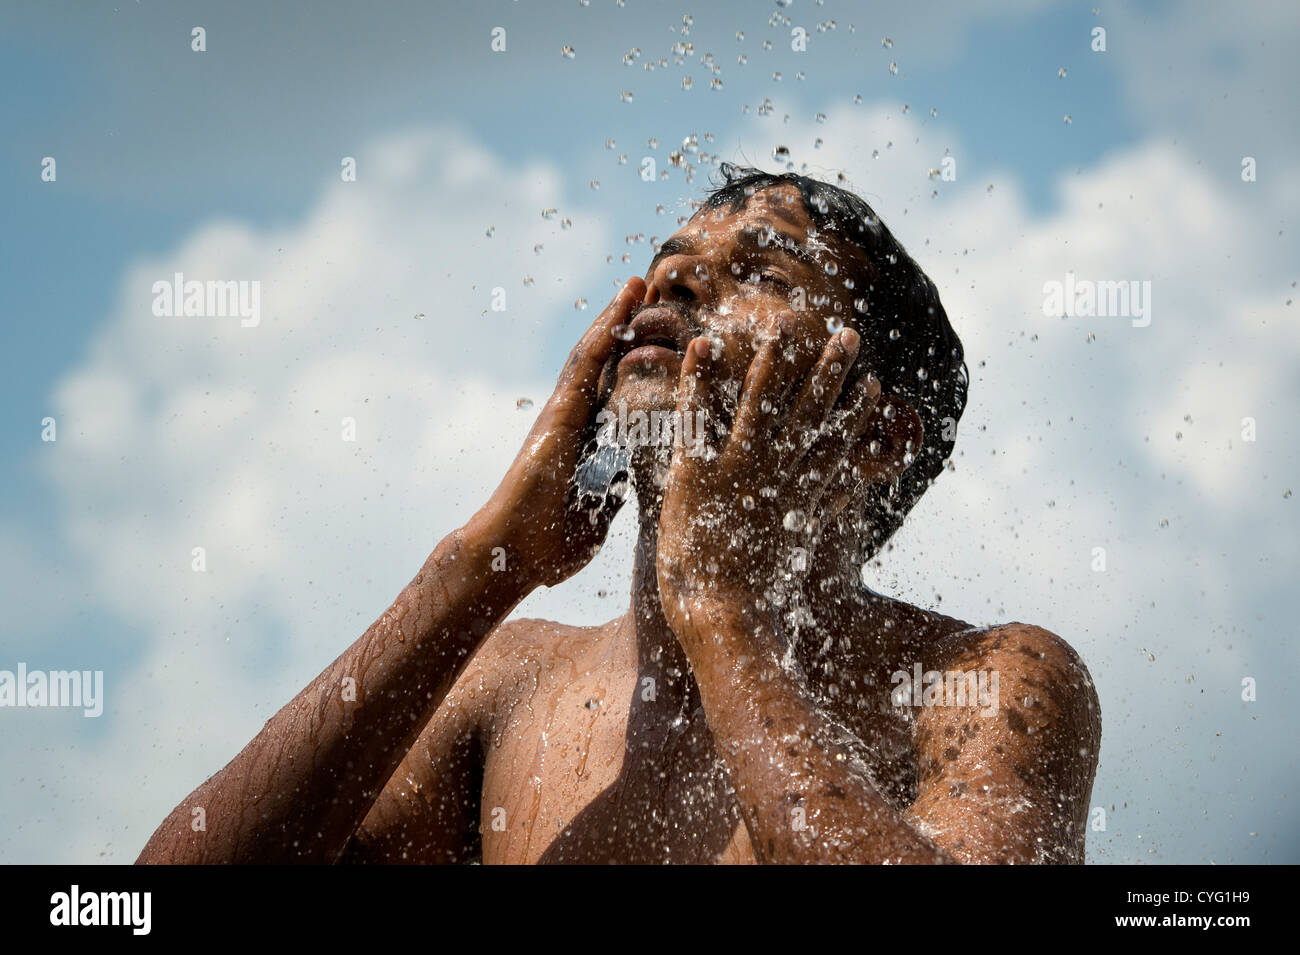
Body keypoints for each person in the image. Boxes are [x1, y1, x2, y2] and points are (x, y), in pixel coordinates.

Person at [137, 164, 1101, 865]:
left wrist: (720, 608)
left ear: (880, 433)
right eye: (671, 262)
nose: (674, 282)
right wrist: (481, 564)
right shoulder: (511, 689)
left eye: (764, 272)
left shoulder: (985, 681)